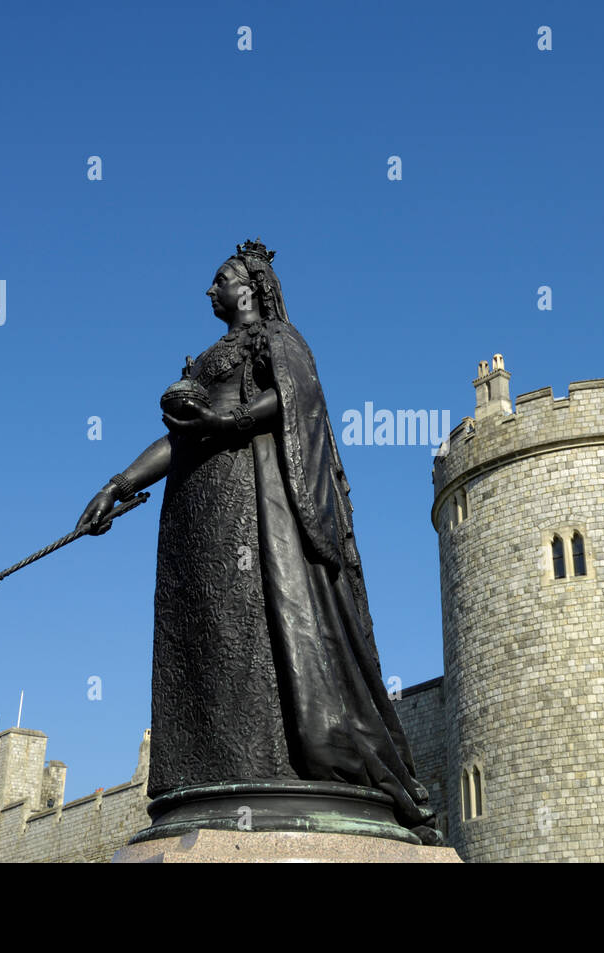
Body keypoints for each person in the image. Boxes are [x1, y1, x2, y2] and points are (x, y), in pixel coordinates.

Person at [76, 240, 440, 843]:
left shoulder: (277, 340)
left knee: (257, 623)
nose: (208, 290)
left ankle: (280, 762)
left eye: (217, 279)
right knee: (210, 631)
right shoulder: (209, 358)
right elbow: (179, 441)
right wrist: (118, 483)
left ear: (246, 287)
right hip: (198, 515)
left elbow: (299, 401)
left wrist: (233, 422)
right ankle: (218, 768)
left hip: (254, 499)